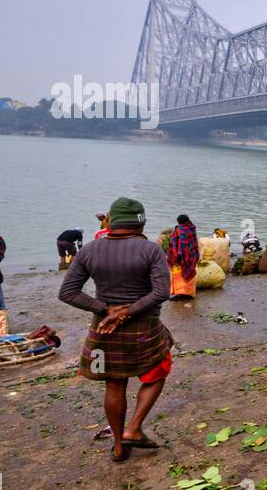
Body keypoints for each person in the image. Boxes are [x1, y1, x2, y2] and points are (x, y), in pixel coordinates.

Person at [59, 198, 172, 463]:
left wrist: (104, 309)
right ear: (140, 221)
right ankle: (133, 428)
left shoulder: (89, 250)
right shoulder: (151, 250)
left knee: (114, 383)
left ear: (111, 222)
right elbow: (161, 293)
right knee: (158, 371)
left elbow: (67, 293)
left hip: (104, 329)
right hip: (143, 326)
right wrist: (127, 312)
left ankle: (120, 446)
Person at [166, 214, 200, 300]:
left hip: (180, 257)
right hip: (191, 256)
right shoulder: (192, 228)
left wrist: (175, 256)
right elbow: (194, 243)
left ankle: (181, 293)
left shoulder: (179, 230)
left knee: (179, 274)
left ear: (179, 222)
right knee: (189, 272)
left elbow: (176, 244)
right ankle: (189, 293)